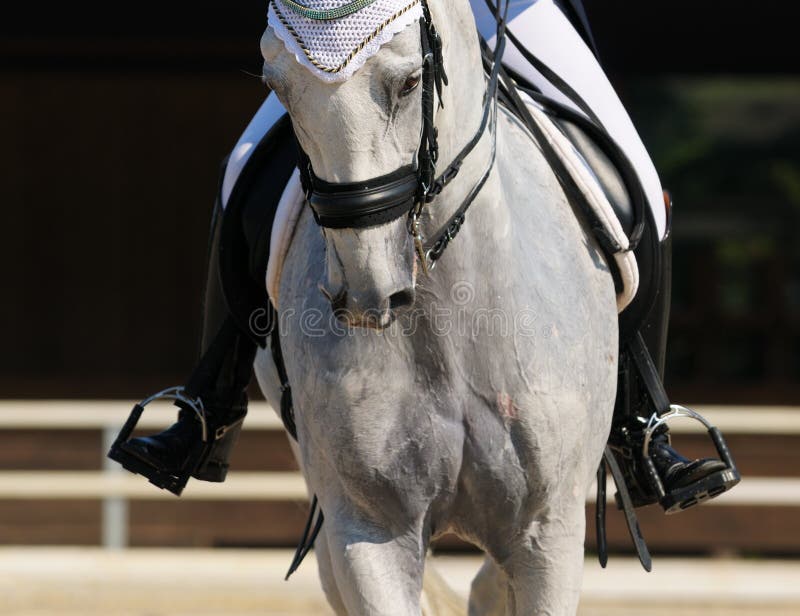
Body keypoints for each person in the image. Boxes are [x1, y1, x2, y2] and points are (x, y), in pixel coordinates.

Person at [109, 0, 738, 514]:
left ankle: (643, 421)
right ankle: (209, 406)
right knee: (245, 170)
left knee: (638, 182)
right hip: (361, 16)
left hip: (508, 11)